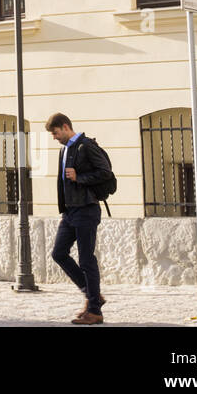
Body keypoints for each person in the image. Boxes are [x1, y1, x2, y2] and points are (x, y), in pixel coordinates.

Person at [46, 113, 113, 324]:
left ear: (65, 127)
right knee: (59, 253)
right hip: (70, 212)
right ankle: (93, 295)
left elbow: (105, 172)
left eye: (56, 133)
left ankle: (94, 310)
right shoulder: (64, 150)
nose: (54, 138)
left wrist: (80, 177)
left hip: (86, 209)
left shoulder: (86, 146)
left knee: (86, 259)